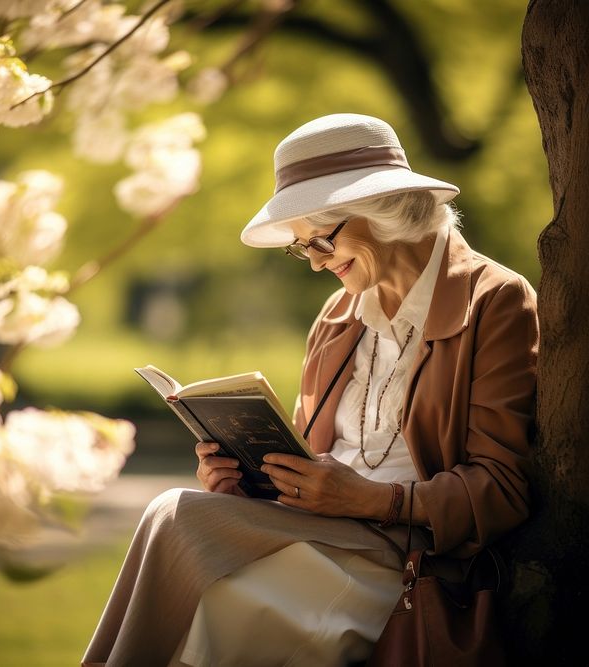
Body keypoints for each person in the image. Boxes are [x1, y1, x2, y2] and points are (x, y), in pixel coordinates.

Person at [82, 113, 539, 666]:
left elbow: (502, 489)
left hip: (407, 556)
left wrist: (372, 500)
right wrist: (248, 482)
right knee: (175, 512)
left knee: (217, 602)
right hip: (320, 533)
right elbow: (310, 457)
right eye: (302, 247)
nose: (318, 262)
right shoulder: (338, 315)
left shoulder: (496, 300)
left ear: (382, 209)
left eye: (322, 239)